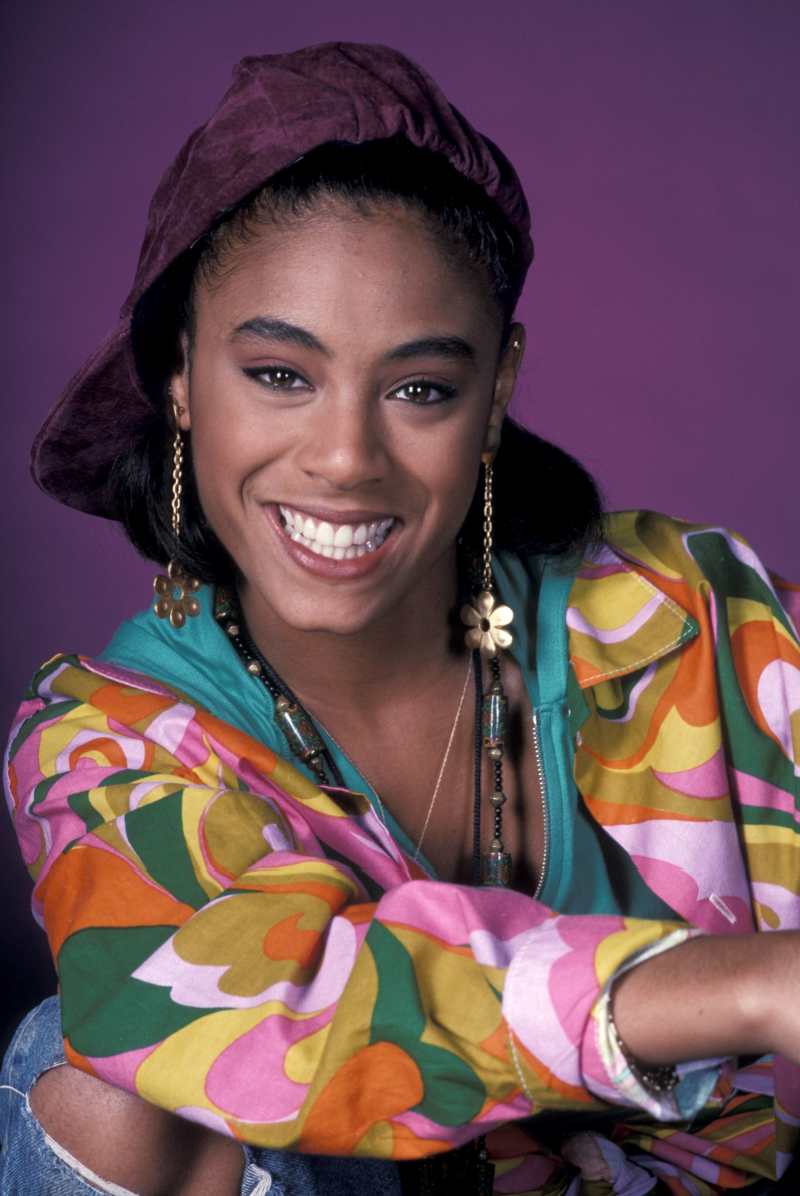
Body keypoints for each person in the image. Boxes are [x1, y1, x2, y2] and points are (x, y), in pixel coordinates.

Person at [1, 40, 798, 1196]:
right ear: (178, 375)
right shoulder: (105, 741)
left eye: (418, 388)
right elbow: (231, 1011)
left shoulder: (675, 615)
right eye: (279, 373)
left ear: (494, 392)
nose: (343, 457)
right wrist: (745, 984)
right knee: (104, 1079)